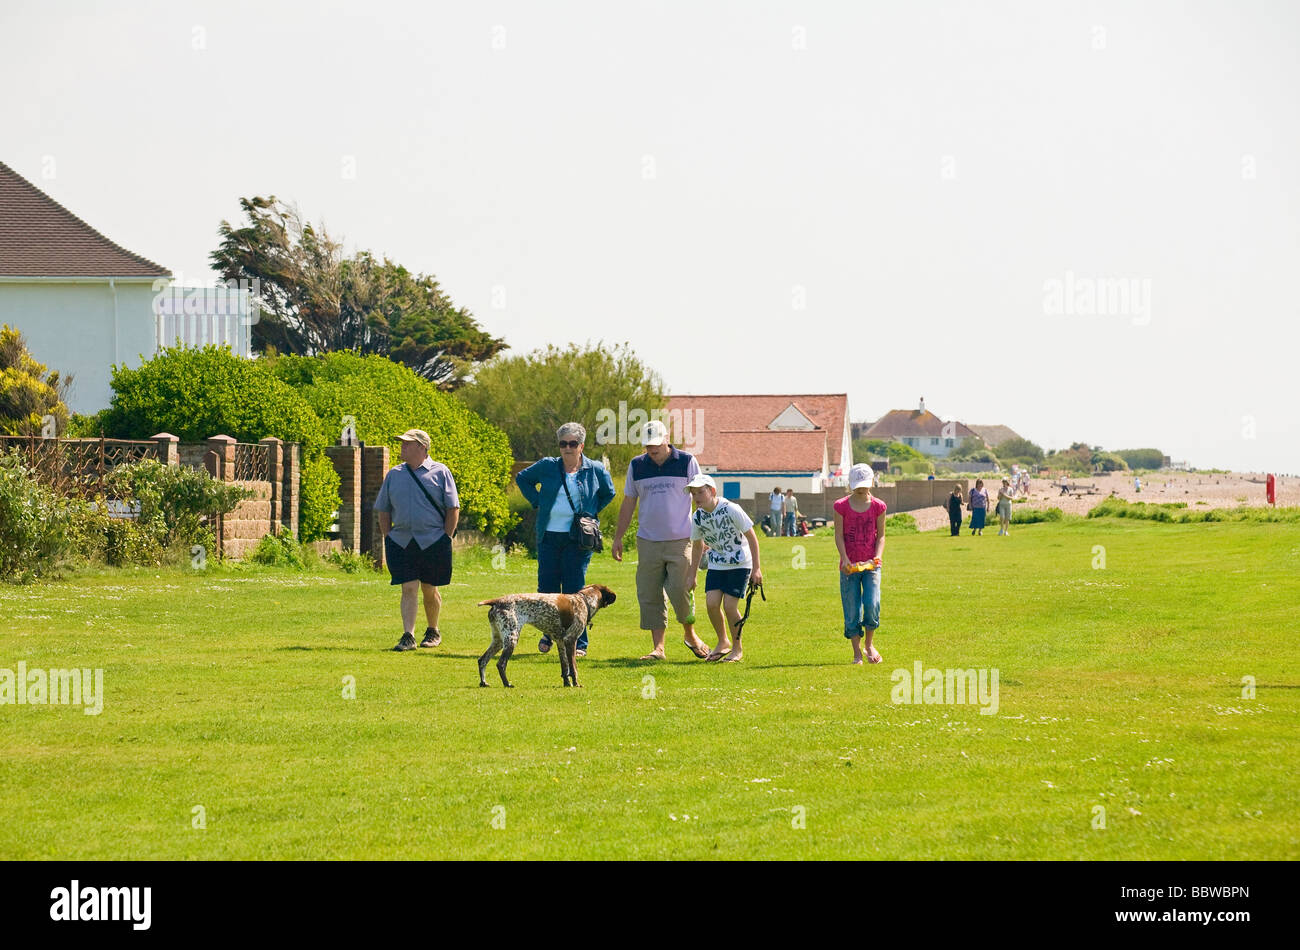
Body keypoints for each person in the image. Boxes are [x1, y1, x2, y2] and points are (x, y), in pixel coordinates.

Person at [611, 420, 711, 661]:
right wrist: (618, 537)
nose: (652, 449)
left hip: (682, 539)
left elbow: (701, 496)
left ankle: (690, 635)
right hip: (647, 541)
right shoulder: (637, 465)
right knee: (650, 593)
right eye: (647, 445)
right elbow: (628, 502)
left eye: (656, 443)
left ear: (667, 439)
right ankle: (658, 648)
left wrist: (704, 534)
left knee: (681, 589)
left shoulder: (687, 461)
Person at [515, 422, 616, 657]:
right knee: (547, 589)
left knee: (575, 590)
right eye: (563, 444)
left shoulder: (595, 469)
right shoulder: (548, 466)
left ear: (581, 445)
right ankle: (548, 634)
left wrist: (591, 512)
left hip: (578, 539)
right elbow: (522, 479)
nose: (567, 448)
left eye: (572, 443)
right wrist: (538, 500)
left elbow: (608, 492)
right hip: (549, 535)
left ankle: (579, 643)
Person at [374, 428, 460, 651]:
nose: (402, 447)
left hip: (433, 540)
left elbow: (453, 508)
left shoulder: (441, 472)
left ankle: (433, 630)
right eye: (402, 443)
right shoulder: (394, 474)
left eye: (407, 443)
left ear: (422, 447)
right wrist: (388, 536)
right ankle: (408, 635)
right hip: (402, 541)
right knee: (408, 587)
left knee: (429, 589)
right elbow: (383, 508)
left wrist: (446, 536)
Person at [685, 474, 762, 662]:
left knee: (729, 606)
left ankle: (737, 648)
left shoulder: (731, 509)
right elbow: (697, 546)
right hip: (716, 564)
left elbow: (752, 537)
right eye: (693, 493)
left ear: (712, 491)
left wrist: (757, 569)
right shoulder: (698, 517)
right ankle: (723, 642)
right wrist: (692, 575)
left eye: (700, 492)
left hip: (740, 563)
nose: (696, 497)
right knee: (711, 604)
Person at [835, 463, 887, 665]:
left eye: (864, 485)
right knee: (852, 610)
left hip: (871, 566)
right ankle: (857, 653)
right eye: (858, 486)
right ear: (851, 485)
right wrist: (845, 559)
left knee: (872, 604)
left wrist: (877, 556)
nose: (861, 489)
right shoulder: (840, 506)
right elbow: (838, 535)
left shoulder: (878, 507)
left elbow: (881, 536)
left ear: (871, 483)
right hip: (849, 567)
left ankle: (869, 644)